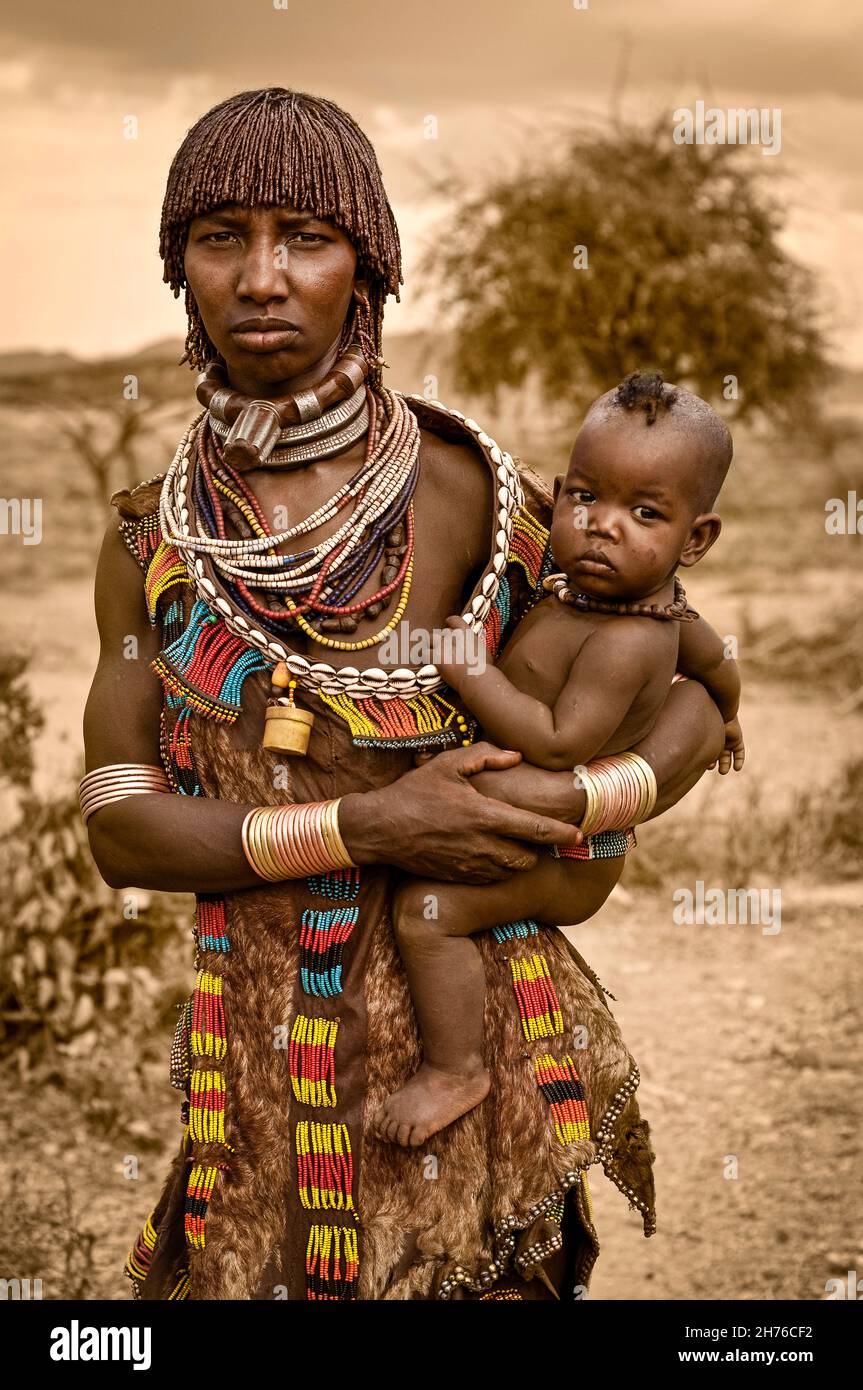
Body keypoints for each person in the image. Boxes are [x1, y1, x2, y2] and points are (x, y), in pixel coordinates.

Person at [82, 87, 725, 1302]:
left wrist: (587, 796)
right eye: (220, 237)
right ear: (180, 269)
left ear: (365, 270)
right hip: (263, 1069)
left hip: (480, 1049)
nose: (260, 277)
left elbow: (687, 683)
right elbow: (121, 827)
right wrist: (366, 825)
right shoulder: (152, 547)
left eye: (305, 238)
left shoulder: (480, 501)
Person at [379, 371, 743, 1148]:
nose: (602, 527)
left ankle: (455, 1070)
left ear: (695, 539)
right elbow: (716, 665)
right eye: (584, 499)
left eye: (644, 513)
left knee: (425, 914)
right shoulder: (605, 596)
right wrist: (731, 714)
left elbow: (555, 741)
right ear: (556, 496)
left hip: (576, 854)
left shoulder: (627, 640)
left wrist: (467, 669)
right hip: (547, 808)